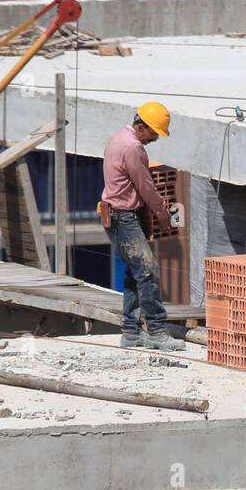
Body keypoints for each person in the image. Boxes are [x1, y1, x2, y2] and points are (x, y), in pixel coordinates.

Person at [100, 101, 184, 350]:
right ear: (142, 126)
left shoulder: (118, 138)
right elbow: (145, 186)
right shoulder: (133, 147)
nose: (155, 140)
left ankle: (131, 331)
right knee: (147, 271)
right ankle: (157, 330)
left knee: (134, 273)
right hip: (123, 217)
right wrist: (162, 213)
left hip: (116, 216)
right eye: (154, 133)